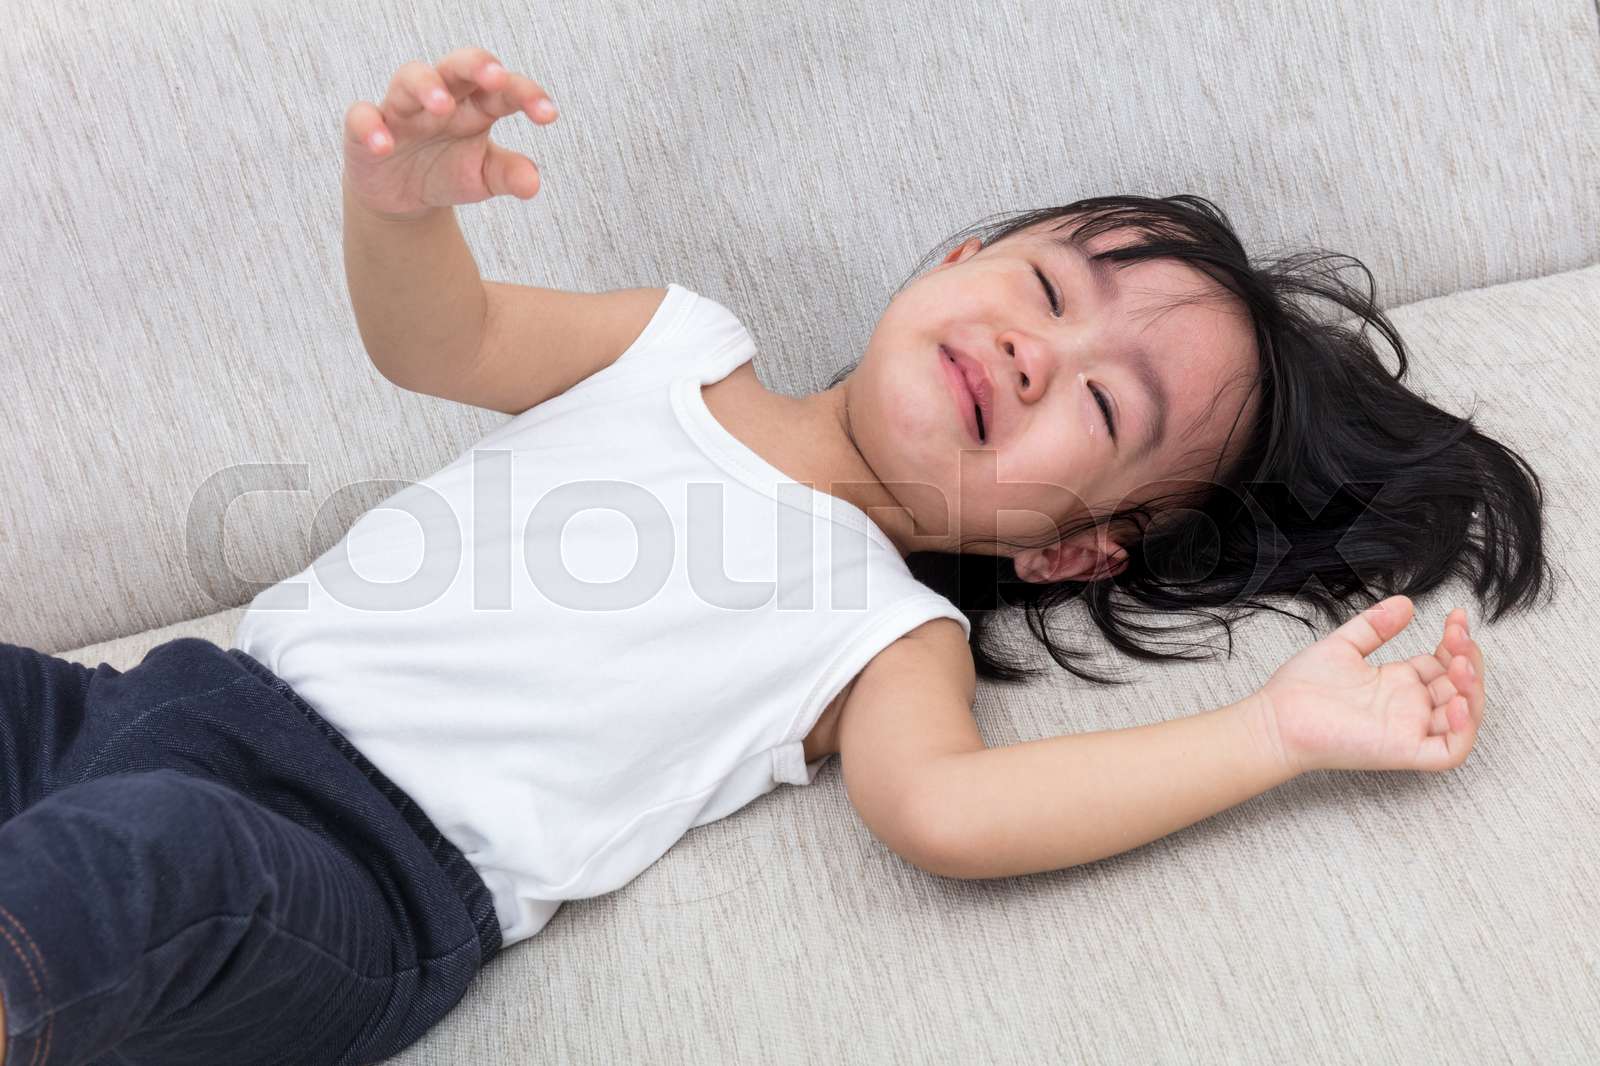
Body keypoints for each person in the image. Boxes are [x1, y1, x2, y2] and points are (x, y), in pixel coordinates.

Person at [0, 44, 1545, 1066]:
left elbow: (947, 809)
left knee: (125, 874)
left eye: (1098, 398)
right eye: (1047, 287)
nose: (1029, 349)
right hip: (157, 700)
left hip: (352, 876)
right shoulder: (674, 344)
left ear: (1075, 546)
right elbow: (442, 337)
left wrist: (1269, 735)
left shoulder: (882, 634)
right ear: (953, 261)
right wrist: (400, 208)